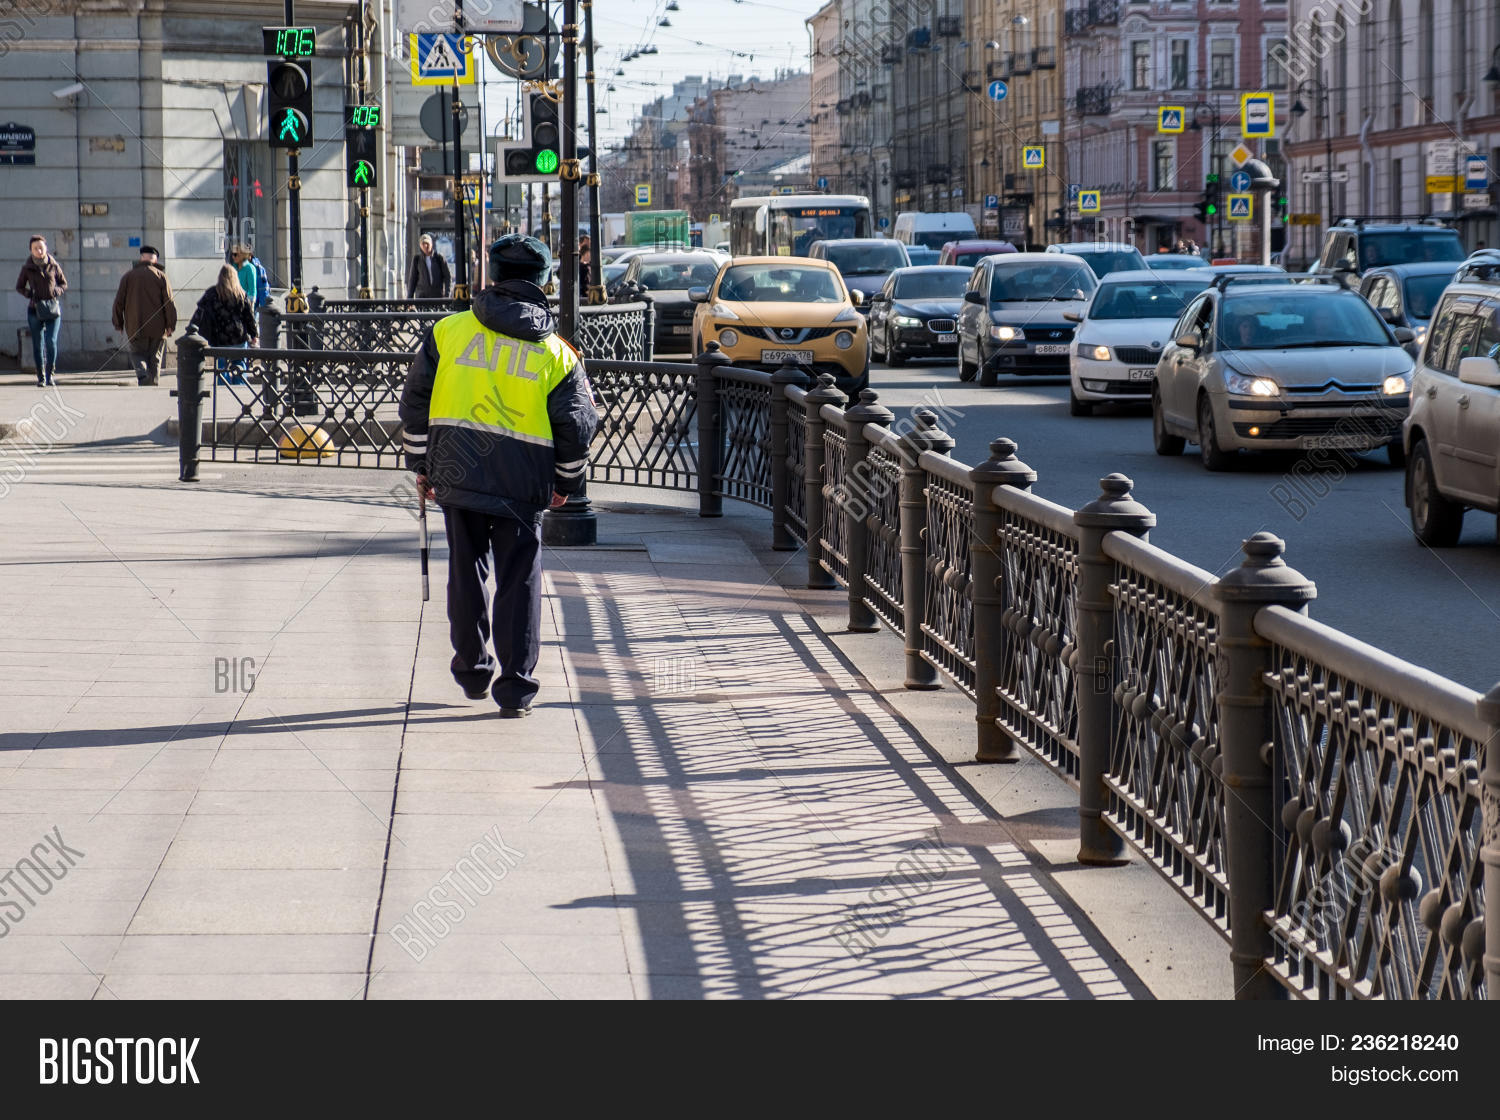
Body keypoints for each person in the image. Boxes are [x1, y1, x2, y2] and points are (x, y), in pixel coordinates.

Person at [399, 234, 599, 717]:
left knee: (465, 571)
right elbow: (575, 430)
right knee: (519, 580)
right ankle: (515, 688)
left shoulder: (448, 332)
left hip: (457, 474)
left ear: (492, 273)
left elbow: (415, 405)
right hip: (523, 485)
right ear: (545, 281)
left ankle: (471, 667)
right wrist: (565, 486)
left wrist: (422, 466)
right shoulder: (558, 354)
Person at [111, 245, 177, 386]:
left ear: (141, 258)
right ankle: (153, 382)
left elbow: (118, 302)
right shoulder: (161, 277)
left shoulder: (128, 277)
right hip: (158, 328)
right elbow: (169, 303)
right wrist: (171, 324)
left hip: (135, 326)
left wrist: (118, 323)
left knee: (137, 353)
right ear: (155, 260)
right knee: (155, 356)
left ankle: (142, 374)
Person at [187, 265, 259, 383]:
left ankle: (222, 391)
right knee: (239, 366)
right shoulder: (241, 294)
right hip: (238, 338)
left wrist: (192, 329)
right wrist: (254, 334)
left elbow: (200, 312)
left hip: (219, 337)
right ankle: (239, 390)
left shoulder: (212, 293)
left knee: (221, 368)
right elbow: (249, 317)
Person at [15, 234, 67, 387]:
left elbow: (64, 284)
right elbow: (19, 287)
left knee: (51, 341)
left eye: (41, 247)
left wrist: (57, 291)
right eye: (35, 248)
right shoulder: (27, 268)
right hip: (35, 309)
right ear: (31, 250)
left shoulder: (53, 265)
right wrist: (29, 294)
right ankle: (41, 377)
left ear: (46, 248)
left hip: (52, 309)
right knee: (38, 344)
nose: (38, 251)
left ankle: (50, 374)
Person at [407, 234, 452, 298]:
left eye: (427, 243)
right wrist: (409, 298)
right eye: (423, 244)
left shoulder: (439, 258)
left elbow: (447, 277)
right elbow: (413, 279)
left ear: (431, 244)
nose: (425, 246)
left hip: (437, 297)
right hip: (422, 297)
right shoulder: (417, 259)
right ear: (420, 246)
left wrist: (447, 295)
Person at [230, 244, 258, 308]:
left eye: (235, 254)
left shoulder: (250, 268)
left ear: (243, 255)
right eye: (233, 254)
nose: (233, 257)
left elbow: (252, 290)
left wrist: (251, 306)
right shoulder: (233, 268)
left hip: (245, 304)